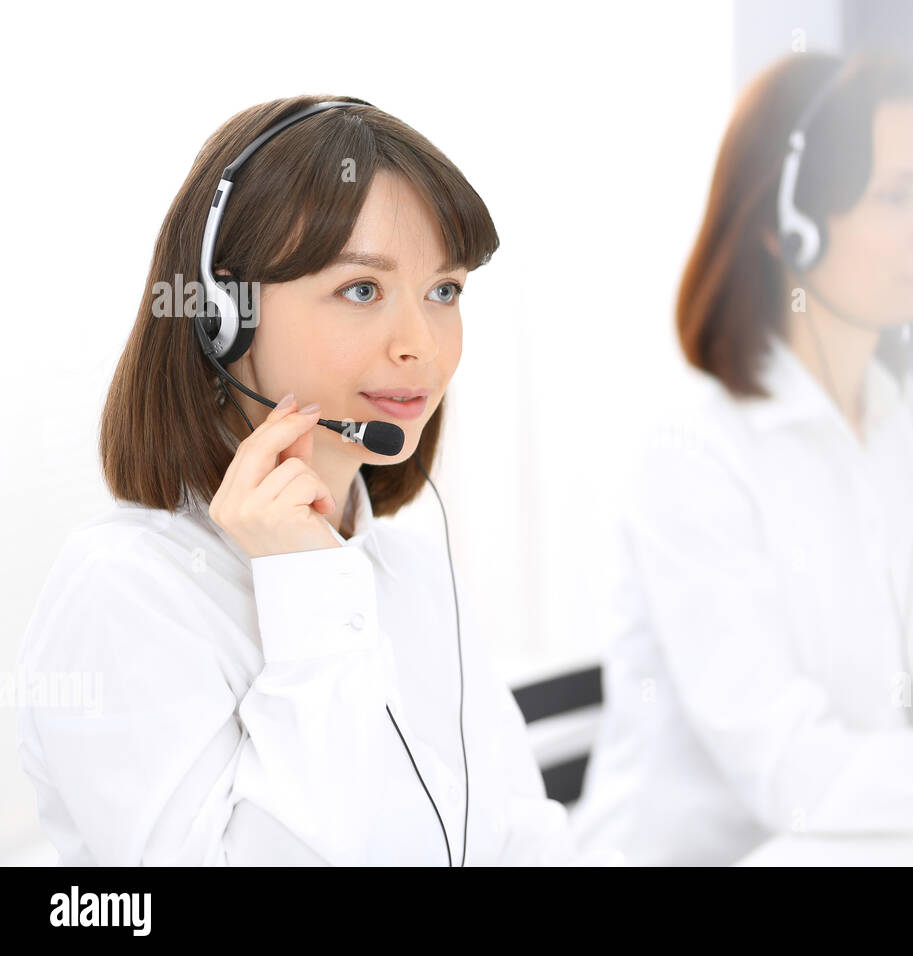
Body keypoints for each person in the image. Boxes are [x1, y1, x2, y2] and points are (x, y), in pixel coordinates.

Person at [15, 96, 592, 866]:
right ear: (225, 317)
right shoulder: (126, 592)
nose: (420, 345)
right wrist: (307, 594)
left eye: (444, 291)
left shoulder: (412, 572)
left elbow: (525, 841)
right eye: (362, 290)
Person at [569, 53, 913, 866]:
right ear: (787, 220)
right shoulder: (694, 459)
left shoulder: (904, 425)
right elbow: (794, 770)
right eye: (896, 197)